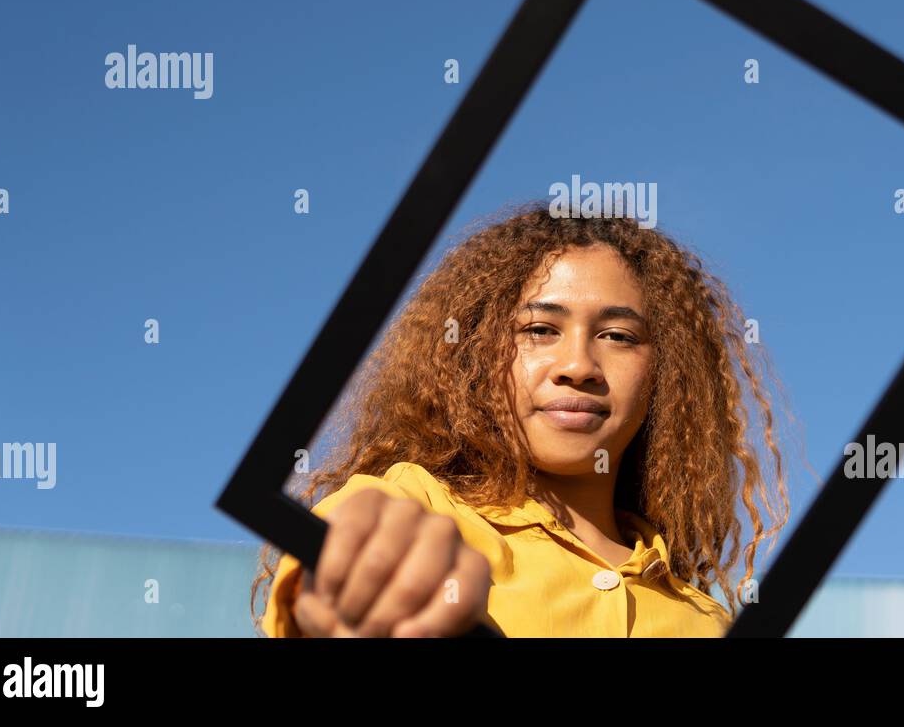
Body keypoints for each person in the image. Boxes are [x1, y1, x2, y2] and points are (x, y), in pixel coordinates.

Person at [253, 200, 799, 637]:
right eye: (539, 330)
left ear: (667, 376)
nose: (578, 366)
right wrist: (351, 587)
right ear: (473, 355)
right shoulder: (413, 505)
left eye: (618, 337)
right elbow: (338, 565)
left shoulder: (705, 621)